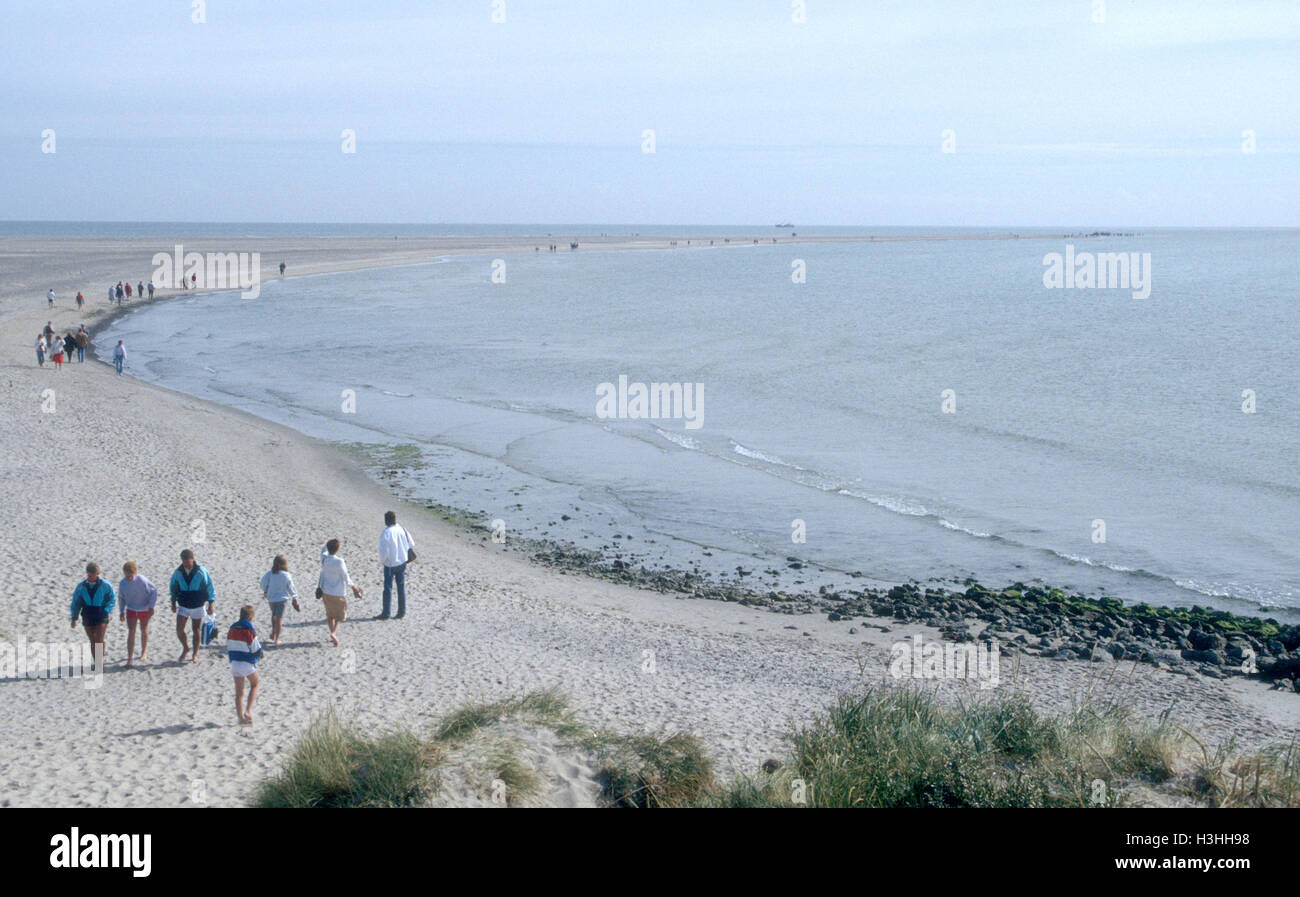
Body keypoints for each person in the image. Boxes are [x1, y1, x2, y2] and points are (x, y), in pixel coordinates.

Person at [169, 548, 216, 663]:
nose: (186, 564)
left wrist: (211, 603)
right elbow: (173, 587)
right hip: (183, 605)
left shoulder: (201, 571)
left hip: (198, 605)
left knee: (196, 630)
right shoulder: (178, 572)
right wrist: (173, 602)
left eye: (188, 561)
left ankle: (195, 654)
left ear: (192, 559)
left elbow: (210, 587)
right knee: (179, 629)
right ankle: (185, 647)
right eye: (184, 561)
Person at [70, 562, 116, 672]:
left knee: (99, 639)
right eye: (89, 574)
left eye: (93, 574)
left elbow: (112, 598)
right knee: (93, 640)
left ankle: (100, 664)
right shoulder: (81, 586)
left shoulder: (105, 585)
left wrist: (106, 610)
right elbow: (76, 602)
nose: (90, 576)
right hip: (87, 613)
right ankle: (96, 662)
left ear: (97, 574)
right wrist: (74, 617)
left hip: (101, 613)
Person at [318, 539, 361, 647]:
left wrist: (326, 545)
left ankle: (332, 634)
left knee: (330, 615)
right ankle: (334, 633)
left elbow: (323, 550)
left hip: (326, 591)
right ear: (337, 549)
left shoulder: (324, 559)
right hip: (338, 592)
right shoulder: (339, 561)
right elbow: (346, 577)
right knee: (340, 617)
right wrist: (354, 588)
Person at [118, 561, 158, 668]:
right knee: (131, 631)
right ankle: (130, 658)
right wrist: (121, 611)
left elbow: (153, 591)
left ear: (135, 573)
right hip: (131, 609)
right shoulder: (123, 583)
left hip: (144, 609)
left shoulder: (142, 580)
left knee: (143, 629)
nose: (128, 578)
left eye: (130, 576)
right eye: (126, 576)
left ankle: (143, 652)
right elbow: (121, 598)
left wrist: (151, 606)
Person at [227, 605, 263, 725]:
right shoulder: (249, 629)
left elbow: (229, 645)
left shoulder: (232, 628)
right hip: (246, 662)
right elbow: (255, 648)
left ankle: (240, 718)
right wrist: (259, 655)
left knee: (239, 693)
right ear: (251, 617)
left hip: (234, 663)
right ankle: (247, 711)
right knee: (255, 684)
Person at [377, 510, 415, 620]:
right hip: (402, 561)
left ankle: (386, 613)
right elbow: (411, 544)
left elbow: (384, 552)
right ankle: (401, 612)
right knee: (401, 586)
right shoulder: (403, 529)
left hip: (390, 563)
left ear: (386, 520)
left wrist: (383, 561)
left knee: (388, 588)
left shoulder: (386, 533)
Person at [259, 554, 299, 645]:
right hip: (282, 599)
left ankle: (273, 633)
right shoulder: (286, 575)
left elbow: (263, 584)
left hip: (271, 599)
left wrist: (266, 591)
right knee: (279, 619)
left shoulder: (269, 574)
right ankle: (277, 638)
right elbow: (291, 587)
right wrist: (294, 597)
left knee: (273, 616)